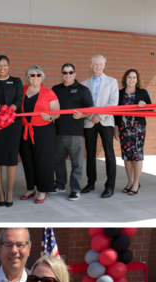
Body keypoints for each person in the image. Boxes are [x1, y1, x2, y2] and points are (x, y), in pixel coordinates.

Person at [51, 64, 93, 201]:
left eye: (70, 72)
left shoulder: (83, 90)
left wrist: (82, 115)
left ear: (75, 74)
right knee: (57, 161)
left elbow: (90, 110)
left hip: (75, 133)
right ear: (61, 74)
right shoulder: (55, 89)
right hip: (58, 133)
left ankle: (75, 189)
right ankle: (60, 184)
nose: (67, 75)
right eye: (65, 72)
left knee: (77, 163)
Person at [19, 65, 60, 205]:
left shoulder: (49, 92)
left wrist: (49, 117)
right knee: (28, 161)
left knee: (43, 162)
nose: (35, 77)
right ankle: (30, 188)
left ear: (42, 77)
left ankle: (43, 190)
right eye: (32, 75)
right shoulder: (22, 91)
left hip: (44, 131)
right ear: (27, 77)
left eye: (38, 75)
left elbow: (57, 112)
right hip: (25, 131)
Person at [0, 55, 23, 207]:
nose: (2, 68)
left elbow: (19, 100)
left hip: (13, 124)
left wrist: (9, 110)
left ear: (9, 66)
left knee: (11, 157)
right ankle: (0, 192)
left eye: (5, 65)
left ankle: (10, 192)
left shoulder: (16, 81)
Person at [81, 55, 120, 198]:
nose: (98, 67)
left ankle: (110, 186)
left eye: (100, 64)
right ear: (91, 66)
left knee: (109, 155)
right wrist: (91, 116)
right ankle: (91, 183)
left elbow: (114, 102)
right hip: (89, 122)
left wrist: (100, 116)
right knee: (90, 154)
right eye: (95, 64)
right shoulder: (84, 83)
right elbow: (83, 103)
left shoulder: (112, 82)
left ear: (104, 66)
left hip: (106, 121)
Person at [115, 69, 152, 196]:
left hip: (138, 129)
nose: (131, 80)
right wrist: (116, 129)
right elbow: (116, 113)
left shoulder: (142, 92)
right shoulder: (119, 93)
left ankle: (136, 182)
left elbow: (151, 109)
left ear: (137, 79)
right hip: (124, 128)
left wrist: (144, 104)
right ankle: (130, 181)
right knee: (126, 156)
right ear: (125, 79)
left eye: (134, 77)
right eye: (129, 77)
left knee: (137, 155)